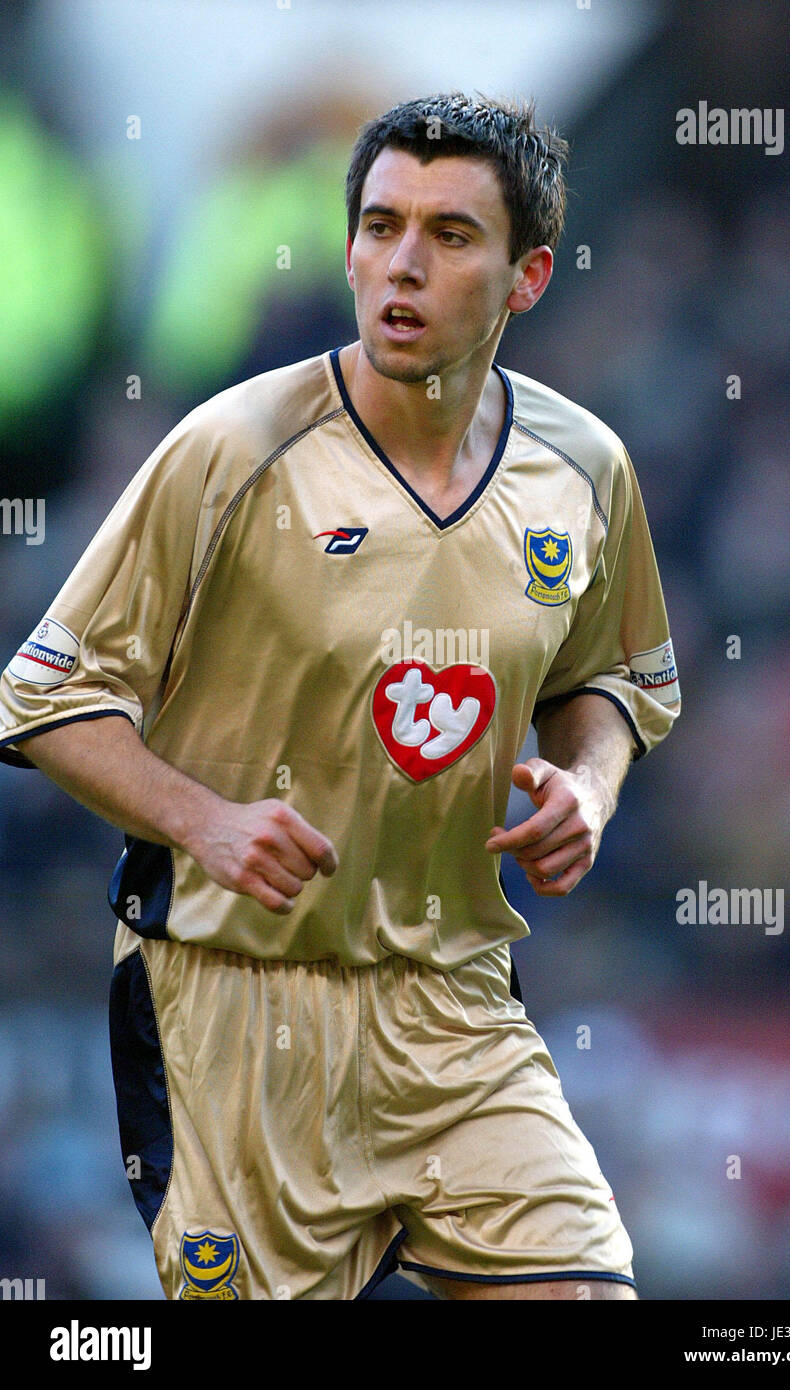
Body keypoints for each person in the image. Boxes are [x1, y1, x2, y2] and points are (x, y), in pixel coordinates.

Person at [0, 93, 680, 1301]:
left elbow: (613, 674)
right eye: (379, 225)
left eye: (450, 236)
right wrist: (203, 820)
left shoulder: (583, 468)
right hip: (230, 1004)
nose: (401, 265)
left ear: (526, 276)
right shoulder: (228, 450)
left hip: (454, 999)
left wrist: (586, 782)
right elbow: (45, 699)